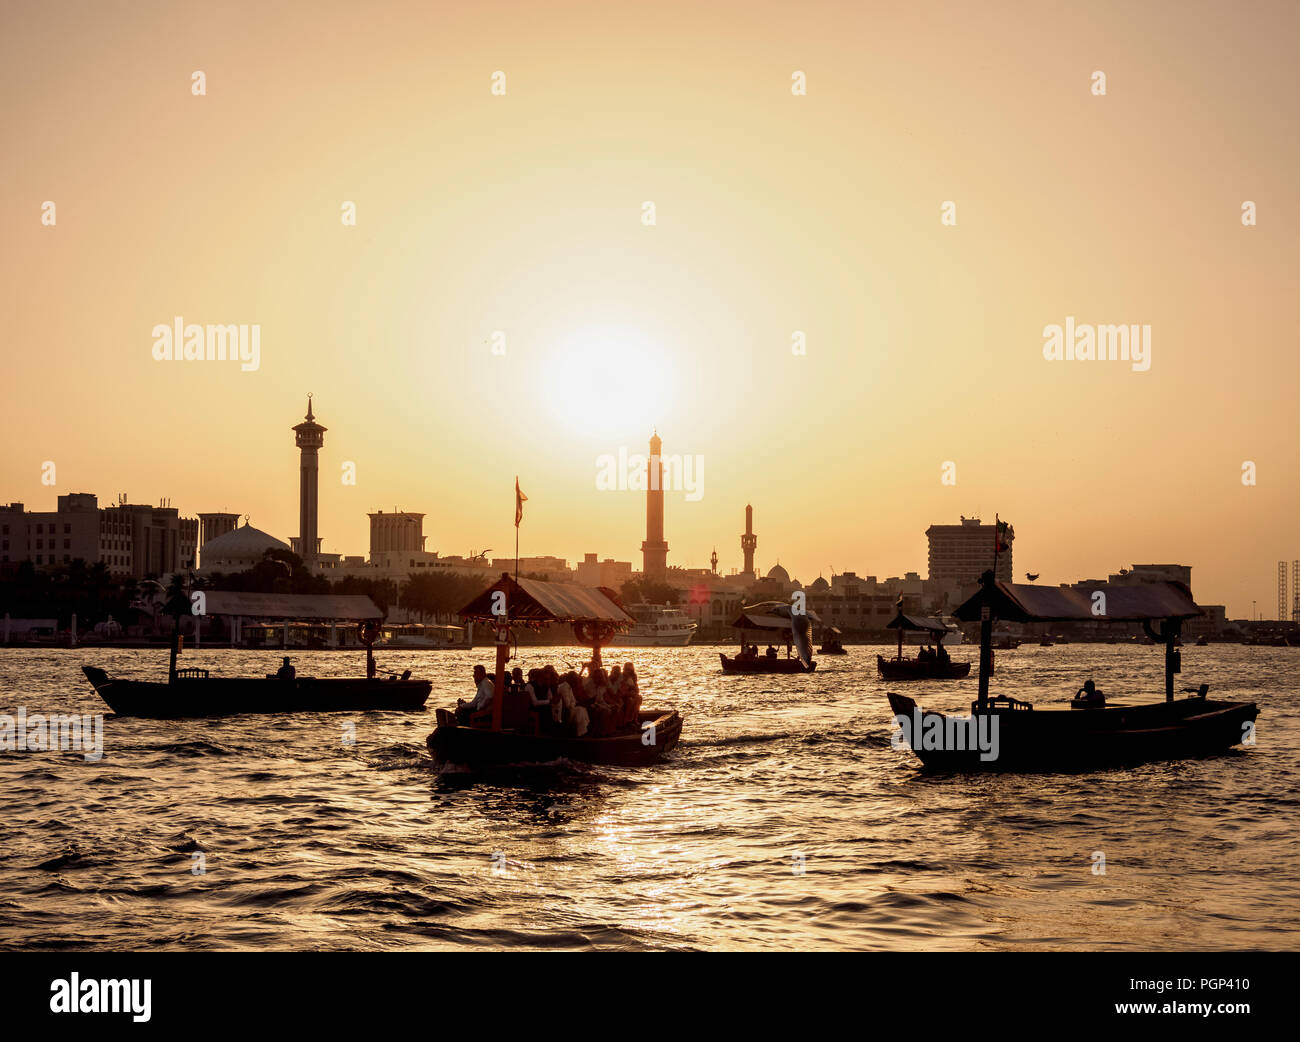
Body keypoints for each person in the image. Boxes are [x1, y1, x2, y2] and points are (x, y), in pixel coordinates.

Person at [620, 661, 641, 727]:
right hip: (623, 696)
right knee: (630, 700)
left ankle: (634, 719)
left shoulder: (633, 677)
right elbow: (622, 690)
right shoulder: (621, 677)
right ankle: (626, 721)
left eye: (630, 670)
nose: (628, 671)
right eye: (627, 669)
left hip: (631, 695)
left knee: (638, 698)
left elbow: (636, 689)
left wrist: (634, 692)